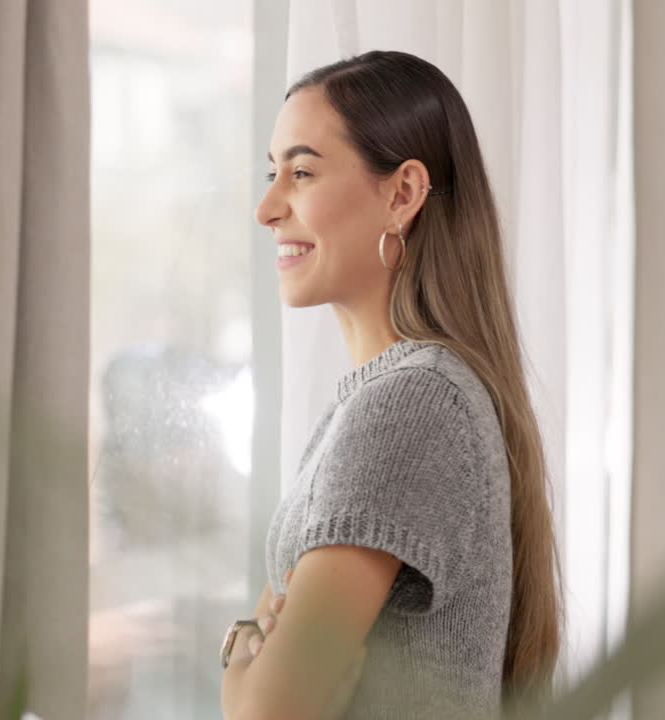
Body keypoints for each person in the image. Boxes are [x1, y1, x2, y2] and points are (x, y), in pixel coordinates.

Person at [219, 50, 563, 719]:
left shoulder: (413, 405)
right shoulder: (399, 396)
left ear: (401, 194)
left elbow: (269, 710)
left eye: (302, 172)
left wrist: (242, 649)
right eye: (272, 173)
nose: (266, 208)